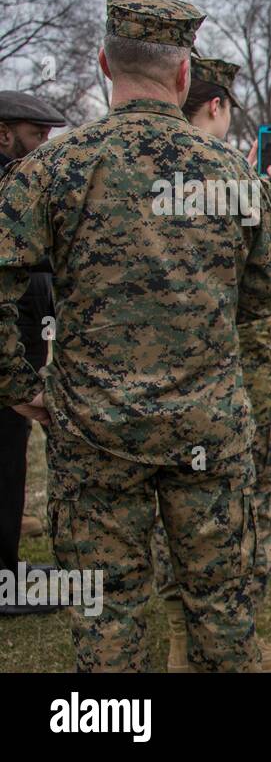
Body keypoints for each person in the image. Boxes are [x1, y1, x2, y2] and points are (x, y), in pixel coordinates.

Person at [0, 0, 271, 671]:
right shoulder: (233, 175)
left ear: (104, 64)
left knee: (106, 606)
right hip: (205, 426)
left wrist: (16, 382)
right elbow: (263, 294)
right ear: (185, 76)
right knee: (219, 603)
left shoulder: (51, 168)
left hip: (95, 429)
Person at [148, 54, 271, 672]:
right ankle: (234, 647)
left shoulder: (129, 164)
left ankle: (177, 641)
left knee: (175, 517)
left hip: (156, 388)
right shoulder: (236, 182)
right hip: (243, 386)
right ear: (216, 105)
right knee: (245, 516)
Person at [0, 91, 67, 617]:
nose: (44, 146)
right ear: (5, 134)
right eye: (36, 135)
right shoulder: (6, 188)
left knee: (11, 453)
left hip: (18, 355)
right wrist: (15, 382)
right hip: (7, 365)